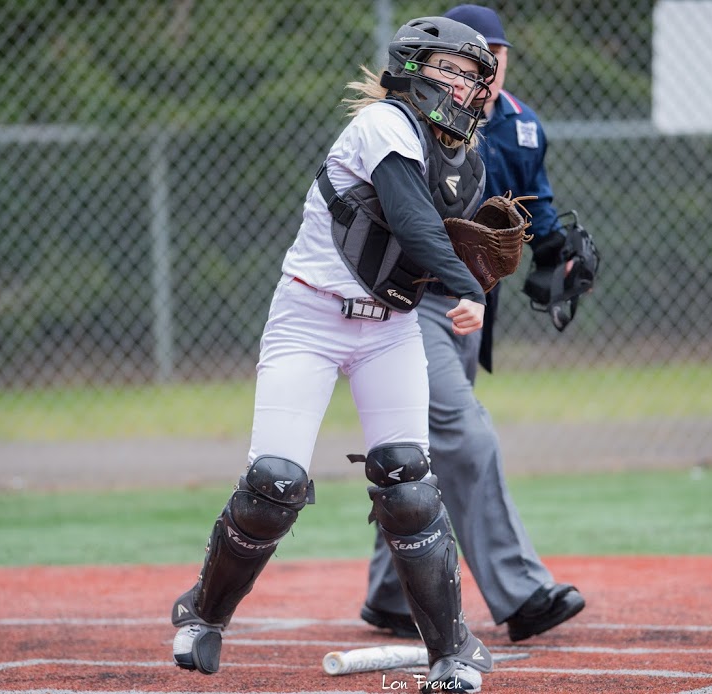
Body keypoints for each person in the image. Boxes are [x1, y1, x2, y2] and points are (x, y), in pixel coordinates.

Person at [170, 16, 500, 692]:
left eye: (471, 76)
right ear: (412, 66)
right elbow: (409, 220)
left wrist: (483, 278)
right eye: (449, 69)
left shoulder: (463, 160)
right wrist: (470, 284)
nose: (461, 84)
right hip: (309, 318)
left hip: (389, 330)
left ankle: (451, 652)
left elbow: (443, 238)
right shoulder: (383, 124)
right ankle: (202, 613)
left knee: (408, 484)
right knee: (273, 484)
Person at [361, 4, 586, 644]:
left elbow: (534, 207)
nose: (485, 62)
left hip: (465, 307)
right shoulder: (416, 121)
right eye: (467, 53)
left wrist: (554, 252)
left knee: (420, 449)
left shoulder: (519, 127)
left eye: (494, 50)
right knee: (464, 433)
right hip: (408, 299)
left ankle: (392, 594)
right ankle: (522, 594)